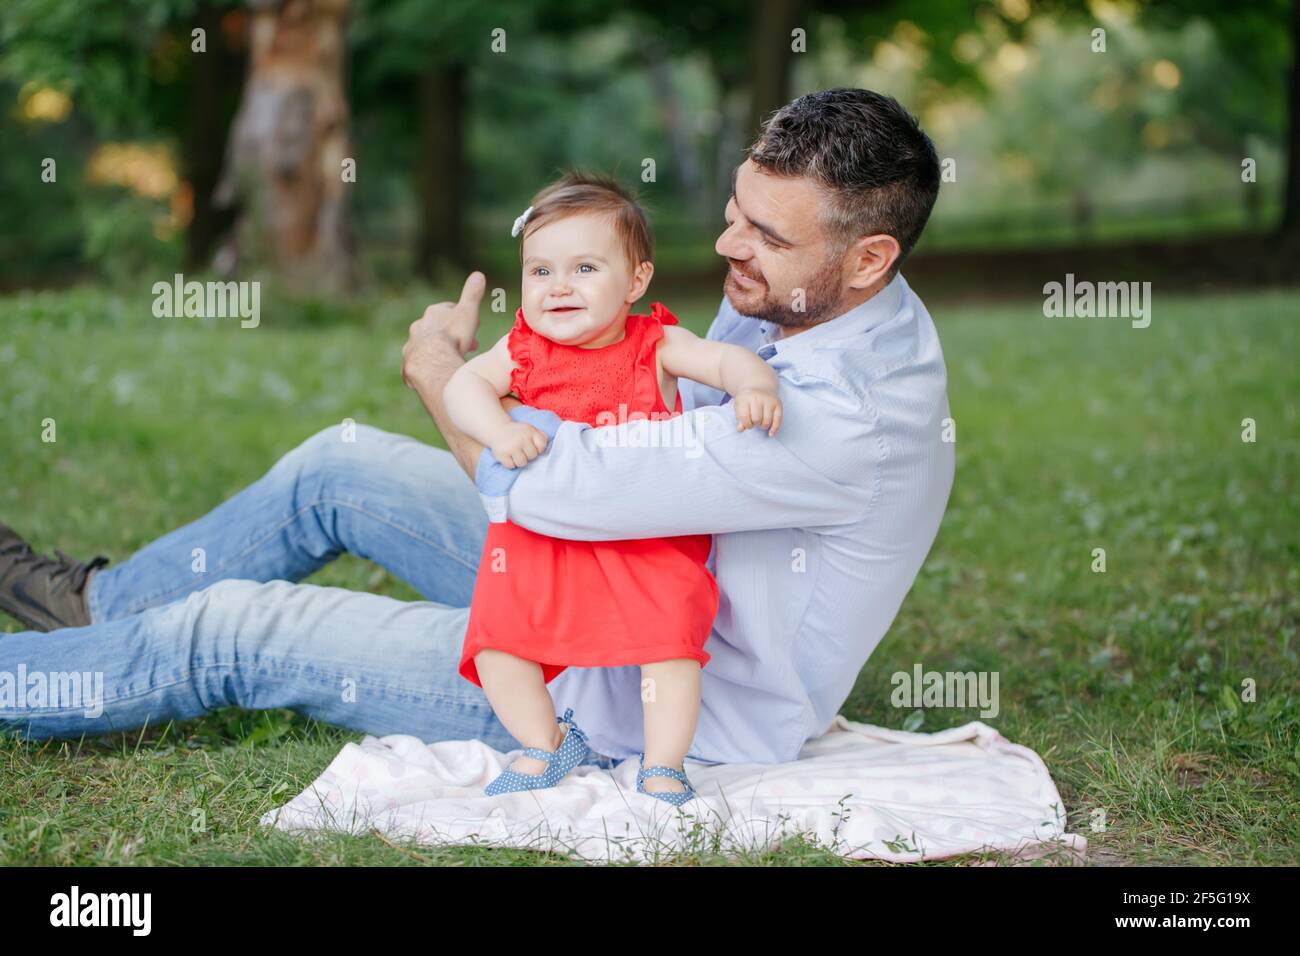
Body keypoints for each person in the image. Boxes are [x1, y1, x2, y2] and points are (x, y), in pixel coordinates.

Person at [0, 88, 954, 781]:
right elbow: (625, 435)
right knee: (336, 464)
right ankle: (102, 609)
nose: (727, 249)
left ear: (870, 256)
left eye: (765, 238)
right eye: (734, 214)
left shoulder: (843, 421)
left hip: (633, 690)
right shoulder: (814, 293)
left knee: (238, 631)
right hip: (617, 559)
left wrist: (441, 379)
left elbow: (543, 487)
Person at [444, 172, 781, 802]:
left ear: (636, 281)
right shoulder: (521, 348)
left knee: (668, 647)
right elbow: (462, 385)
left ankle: (663, 764)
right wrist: (495, 428)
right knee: (497, 644)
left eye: (584, 268)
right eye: (539, 271)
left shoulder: (653, 344)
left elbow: (723, 360)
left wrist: (754, 386)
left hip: (643, 540)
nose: (558, 286)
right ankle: (547, 744)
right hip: (540, 543)